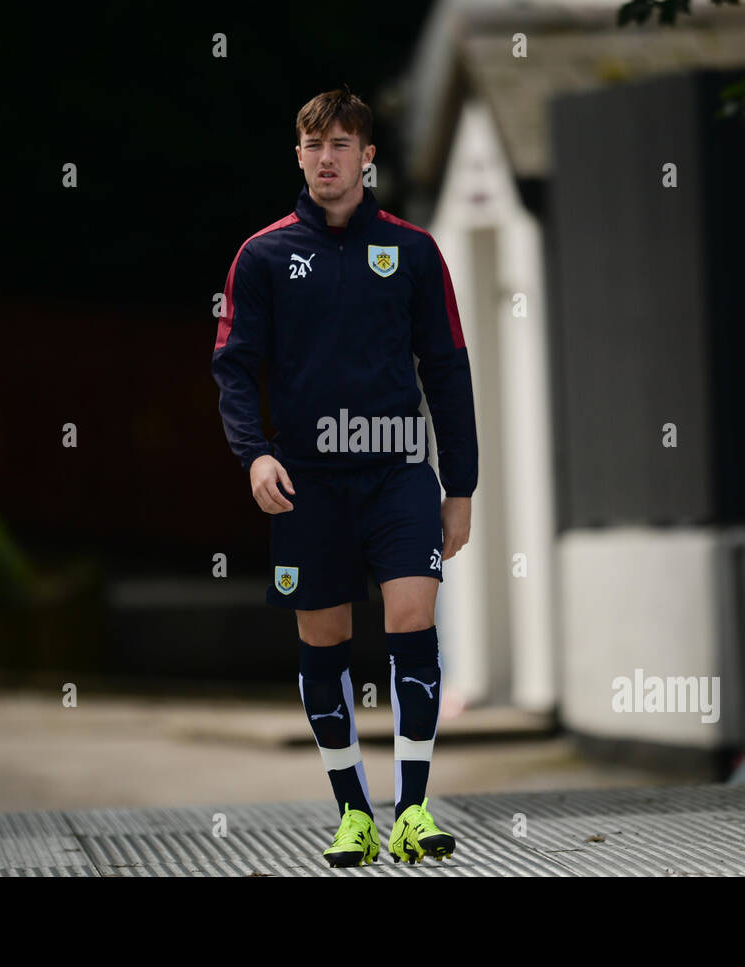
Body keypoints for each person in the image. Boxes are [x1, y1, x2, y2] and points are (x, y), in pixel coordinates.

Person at [211, 86, 478, 867]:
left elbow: (449, 370)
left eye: (342, 145)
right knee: (322, 640)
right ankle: (354, 813)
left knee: (411, 619)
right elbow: (232, 366)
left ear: (368, 156)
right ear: (298, 156)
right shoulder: (262, 255)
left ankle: (415, 810)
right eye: (313, 145)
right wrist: (253, 452)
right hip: (307, 481)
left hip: (398, 469)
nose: (327, 159)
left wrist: (458, 488)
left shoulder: (415, 251)